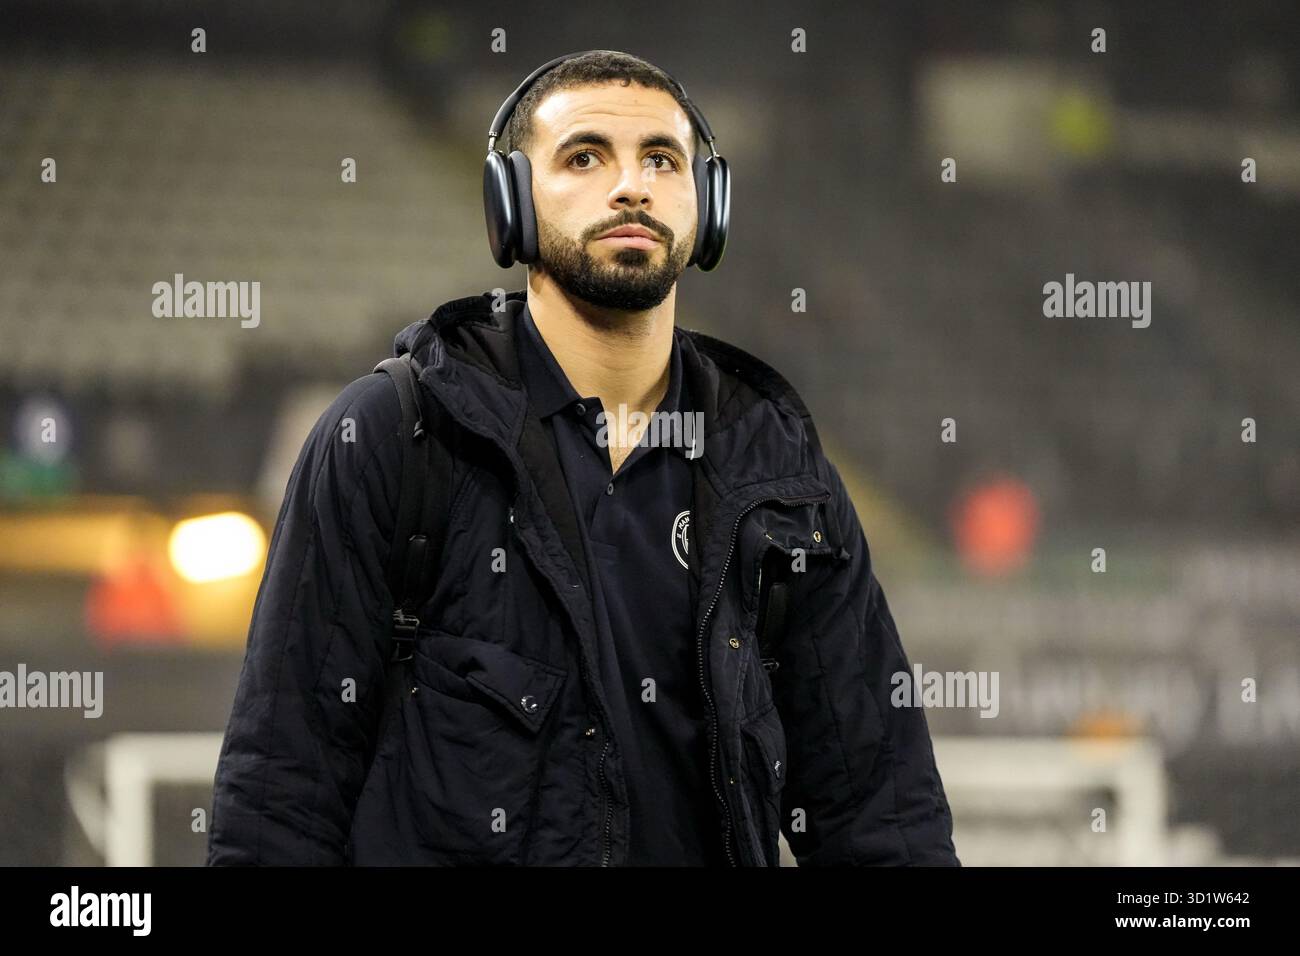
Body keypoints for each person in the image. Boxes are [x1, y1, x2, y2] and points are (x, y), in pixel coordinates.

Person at [207, 49, 958, 866]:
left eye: (661, 160)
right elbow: (278, 804)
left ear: (708, 206)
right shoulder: (393, 437)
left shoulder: (776, 466)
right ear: (511, 205)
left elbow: (883, 817)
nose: (631, 185)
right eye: (585, 156)